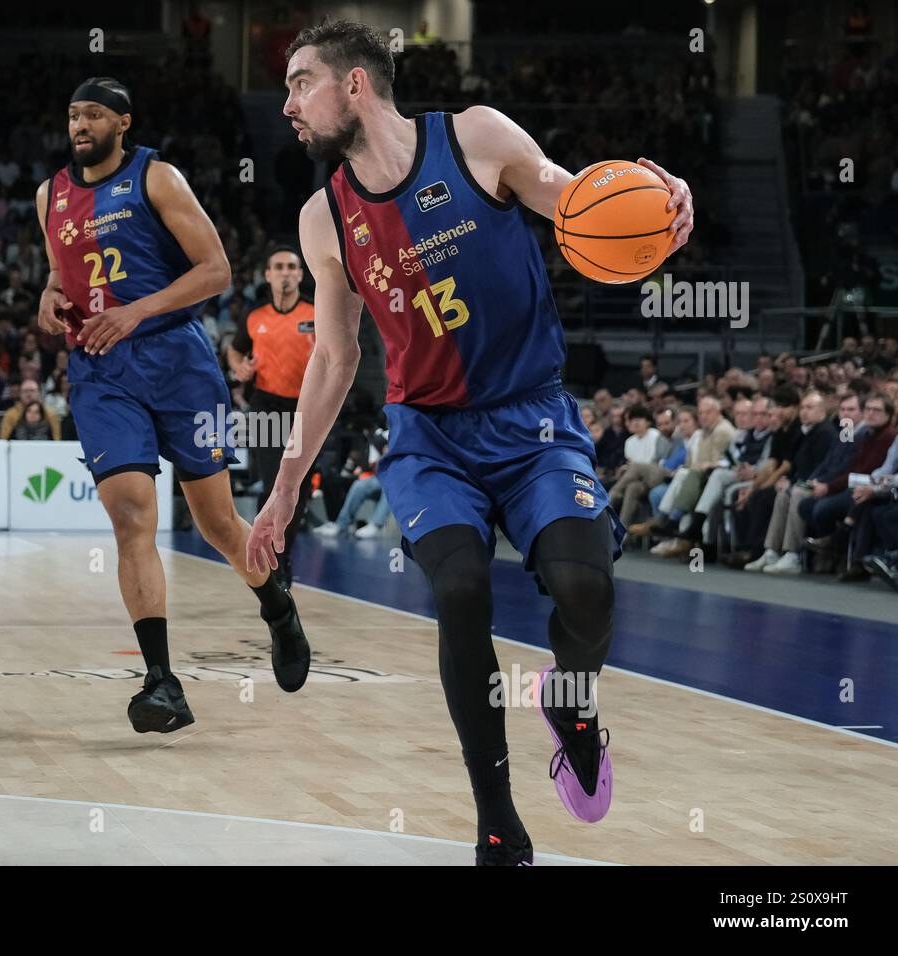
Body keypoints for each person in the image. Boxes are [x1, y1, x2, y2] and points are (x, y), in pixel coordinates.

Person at [247, 19, 693, 865]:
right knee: (459, 589)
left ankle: (572, 702)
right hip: (429, 440)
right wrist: (284, 487)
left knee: (583, 587)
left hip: (533, 420)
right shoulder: (323, 220)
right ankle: (498, 822)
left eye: (301, 82)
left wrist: (658, 190)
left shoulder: (476, 137)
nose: (288, 104)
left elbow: (577, 199)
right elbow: (336, 359)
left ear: (354, 85)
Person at [36, 77, 311, 733]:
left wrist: (137, 311)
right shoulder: (51, 194)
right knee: (131, 513)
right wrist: (48, 296)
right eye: (73, 114)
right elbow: (57, 272)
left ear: (122, 122)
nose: (80, 124)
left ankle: (275, 605)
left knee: (217, 524)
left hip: (179, 362)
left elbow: (216, 271)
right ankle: (161, 681)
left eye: (94, 114)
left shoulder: (156, 177)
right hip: (101, 369)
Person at [226, 244, 317, 585]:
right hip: (265, 406)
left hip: (307, 410)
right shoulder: (254, 317)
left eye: (291, 267)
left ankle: (284, 556)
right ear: (267, 275)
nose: (284, 272)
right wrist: (239, 368)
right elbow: (234, 349)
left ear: (300, 274)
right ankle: (272, 567)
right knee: (272, 484)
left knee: (299, 489)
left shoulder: (315, 313)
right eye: (277, 267)